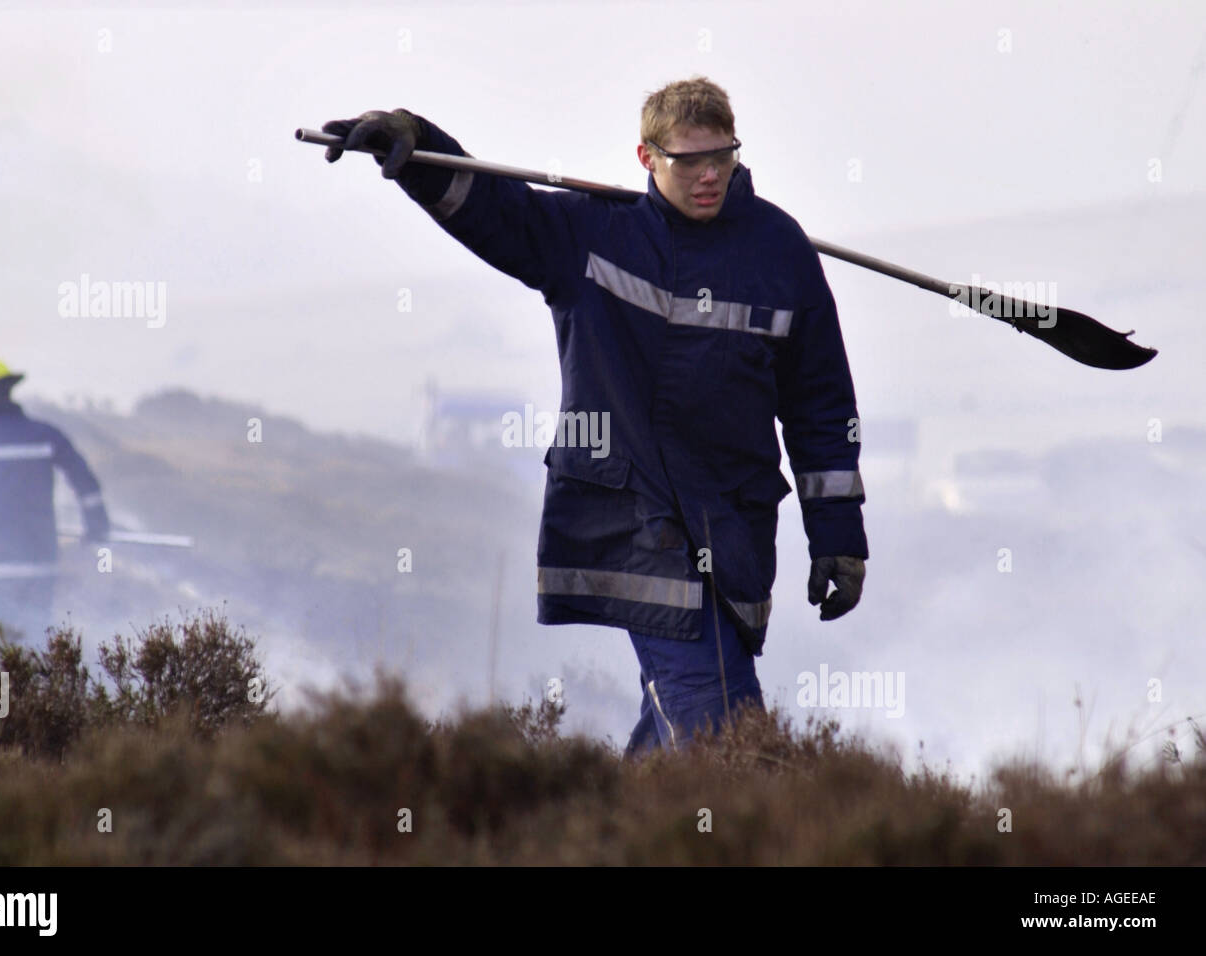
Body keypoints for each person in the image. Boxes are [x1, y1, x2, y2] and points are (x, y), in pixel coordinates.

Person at [321, 76, 867, 756]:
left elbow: (821, 405)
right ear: (646, 158)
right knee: (727, 736)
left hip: (731, 530)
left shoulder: (779, 253)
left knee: (681, 733)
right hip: (634, 520)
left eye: (721, 157)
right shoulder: (591, 236)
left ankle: (612, 830)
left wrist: (838, 535)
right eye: (688, 161)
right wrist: (416, 146)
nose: (708, 176)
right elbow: (497, 210)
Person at [0, 356, 111, 641]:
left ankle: (0, 686)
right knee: (35, 639)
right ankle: (43, 686)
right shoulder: (44, 434)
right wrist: (97, 527)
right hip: (37, 563)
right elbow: (85, 482)